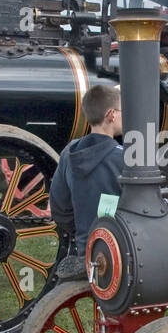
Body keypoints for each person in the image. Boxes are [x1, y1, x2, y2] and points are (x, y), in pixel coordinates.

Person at [50, 84, 124, 279]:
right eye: (122, 111)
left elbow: (59, 208)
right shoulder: (124, 158)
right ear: (111, 115)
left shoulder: (69, 151)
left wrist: (82, 232)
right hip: (122, 252)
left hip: (86, 249)